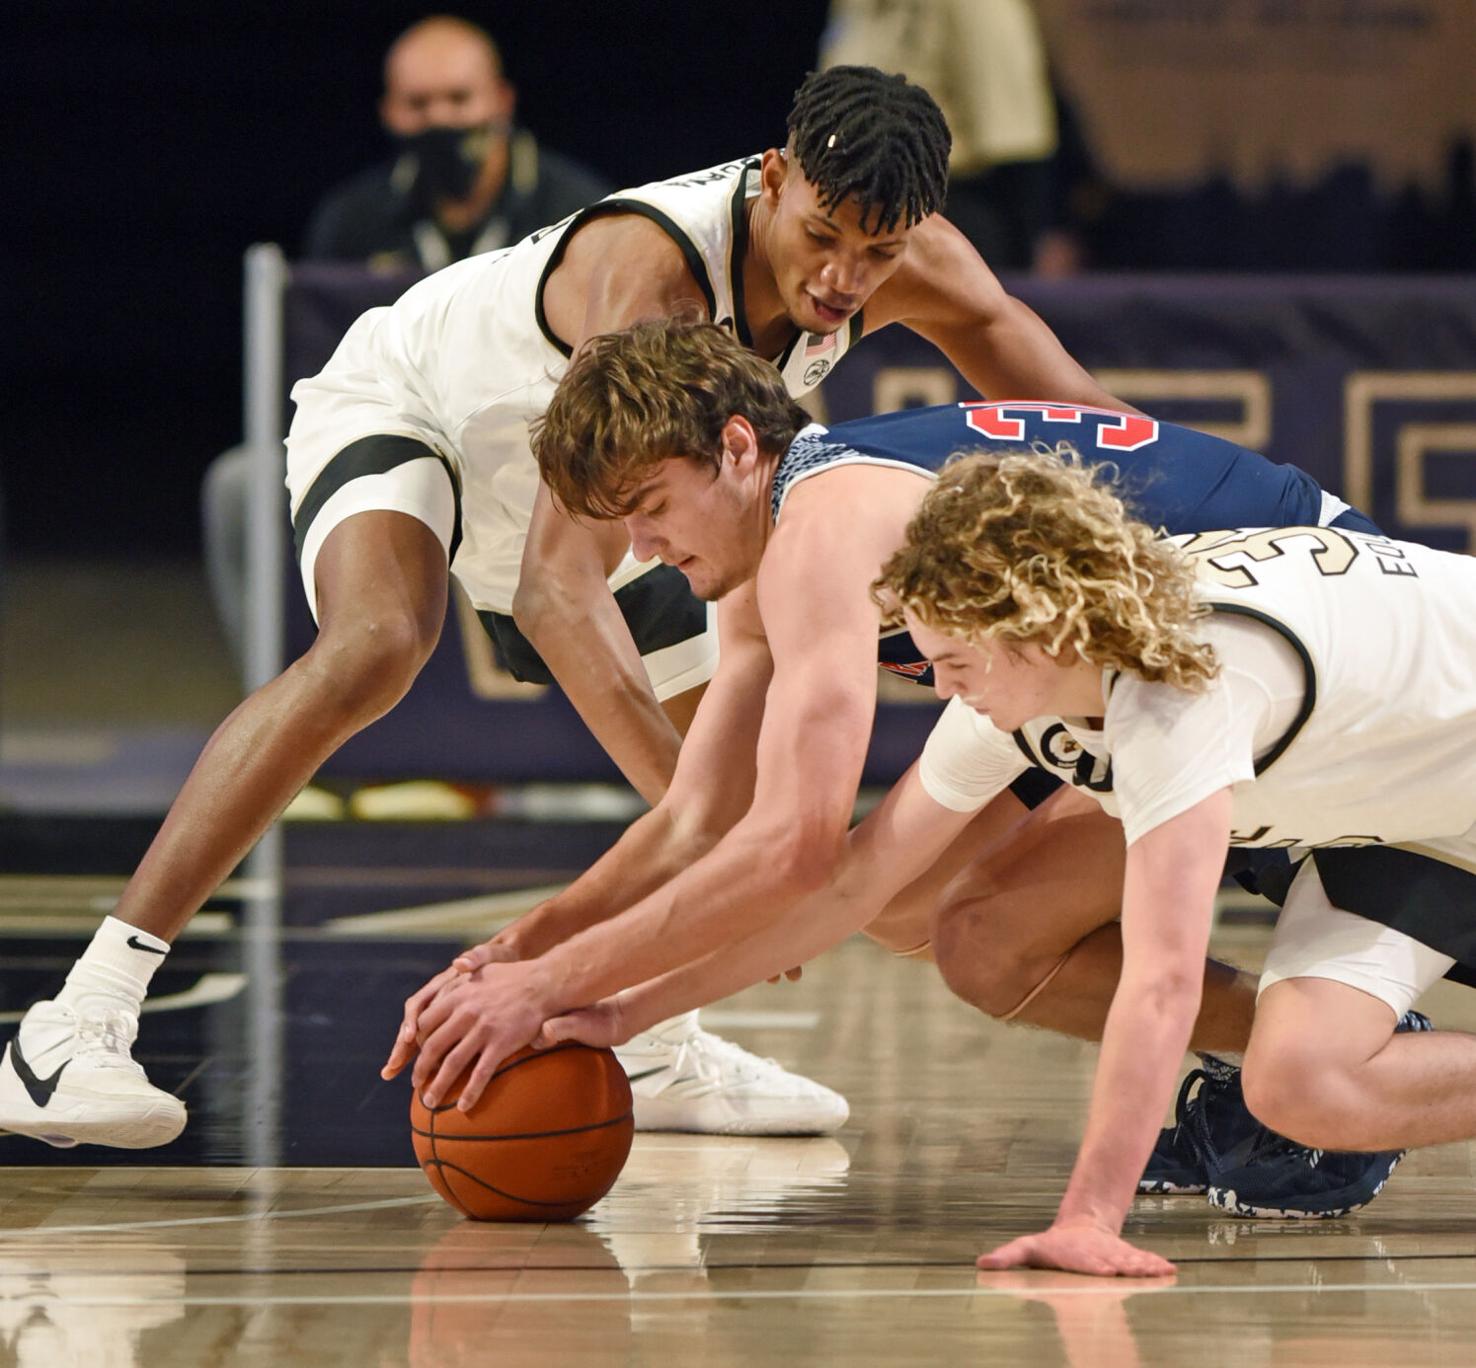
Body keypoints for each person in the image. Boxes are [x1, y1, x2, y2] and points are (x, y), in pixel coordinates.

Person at [0, 65, 1128, 1150]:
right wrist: (716, 850)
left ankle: (657, 1046)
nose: (842, 278)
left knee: (791, 830)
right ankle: (75, 1021)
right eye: (822, 236)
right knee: (382, 643)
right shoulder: (655, 283)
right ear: (775, 177)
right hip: (421, 413)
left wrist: (1191, 529)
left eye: (875, 253)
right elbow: (553, 588)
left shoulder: (898, 251)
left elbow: (1089, 427)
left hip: (616, 490)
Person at [384, 318, 1408, 1220]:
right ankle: (1290, 1055)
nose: (643, 548)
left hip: (1301, 626)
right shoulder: (777, 532)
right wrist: (516, 957)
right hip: (1148, 657)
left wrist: (558, 988)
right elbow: (700, 815)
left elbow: (793, 850)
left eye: (651, 506)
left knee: (966, 923)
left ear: (735, 448)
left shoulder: (822, 531)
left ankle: (1331, 1063)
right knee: (934, 918)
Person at [304, 15, 611, 273]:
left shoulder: (575, 210)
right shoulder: (351, 221)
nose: (440, 118)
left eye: (459, 98)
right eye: (418, 103)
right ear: (388, 112)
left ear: (503, 100)